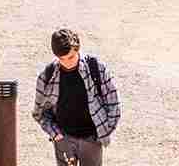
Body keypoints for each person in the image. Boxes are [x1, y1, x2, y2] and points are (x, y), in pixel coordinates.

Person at [34, 28, 121, 166]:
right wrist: (56, 135)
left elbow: (114, 104)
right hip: (63, 139)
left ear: (78, 50)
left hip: (92, 139)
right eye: (62, 59)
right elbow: (40, 113)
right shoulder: (47, 75)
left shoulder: (96, 68)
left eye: (71, 57)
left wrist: (102, 133)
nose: (67, 62)